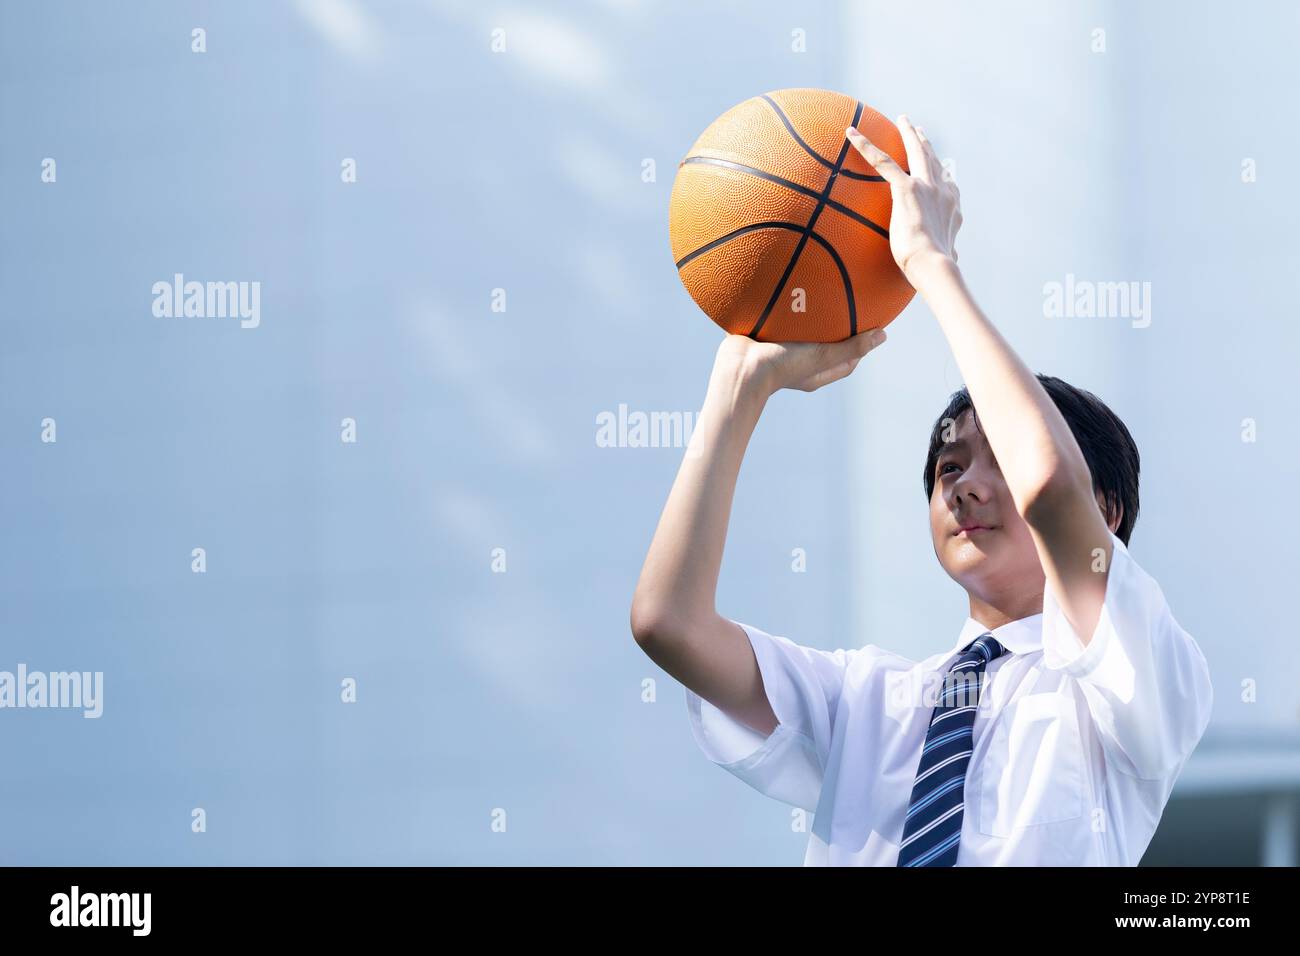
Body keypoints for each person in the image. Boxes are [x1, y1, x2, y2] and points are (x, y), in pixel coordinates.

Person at [629, 116, 1213, 866]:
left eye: (994, 455)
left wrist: (931, 266)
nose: (966, 485)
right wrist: (738, 391)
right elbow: (667, 622)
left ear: (1107, 512)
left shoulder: (1129, 681)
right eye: (948, 469)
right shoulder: (868, 702)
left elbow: (1050, 489)